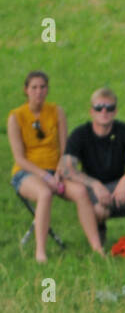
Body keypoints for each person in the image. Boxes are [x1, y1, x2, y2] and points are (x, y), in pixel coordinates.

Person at [59, 88, 125, 249]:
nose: (104, 112)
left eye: (110, 108)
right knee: (98, 210)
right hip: (94, 194)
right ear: (92, 111)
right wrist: (94, 184)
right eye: (99, 108)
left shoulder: (123, 130)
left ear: (115, 111)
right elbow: (66, 169)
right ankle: (99, 230)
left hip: (120, 191)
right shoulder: (80, 134)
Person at [8, 71, 90, 261]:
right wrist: (45, 177)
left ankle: (96, 245)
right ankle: (41, 252)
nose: (39, 92)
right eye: (34, 87)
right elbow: (19, 159)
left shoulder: (56, 112)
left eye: (43, 87)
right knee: (44, 193)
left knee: (81, 192)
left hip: (56, 171)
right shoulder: (16, 117)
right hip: (27, 173)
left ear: (47, 90)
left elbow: (65, 148)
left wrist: (60, 171)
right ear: (26, 90)